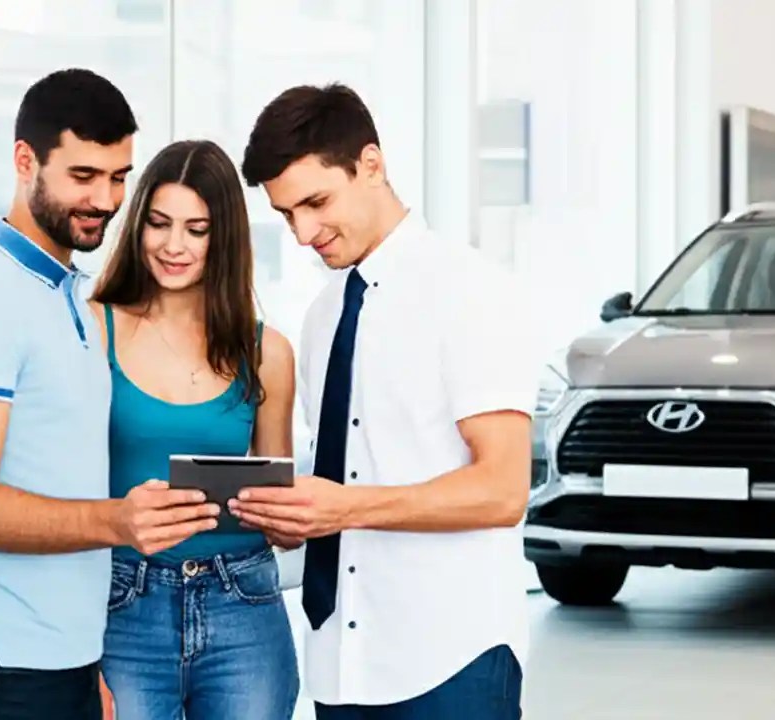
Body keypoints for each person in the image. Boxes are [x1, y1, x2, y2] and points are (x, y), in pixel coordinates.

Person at [0, 68, 221, 720]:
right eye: (83, 177)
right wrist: (119, 521)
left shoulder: (65, 294)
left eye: (118, 176)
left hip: (57, 664)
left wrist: (89, 662)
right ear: (25, 161)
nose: (106, 199)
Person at [234, 83, 537, 719]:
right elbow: (347, 467)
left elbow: (503, 489)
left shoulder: (468, 290)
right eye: (287, 214)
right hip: (342, 665)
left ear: (371, 164)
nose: (303, 232)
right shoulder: (322, 317)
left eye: (316, 203)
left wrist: (346, 508)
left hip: (450, 658)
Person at [88, 139, 300, 720]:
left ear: (223, 238)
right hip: (123, 598)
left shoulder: (268, 353)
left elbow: (276, 500)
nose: (173, 246)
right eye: (158, 223)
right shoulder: (93, 329)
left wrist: (290, 520)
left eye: (196, 229)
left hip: (244, 603)